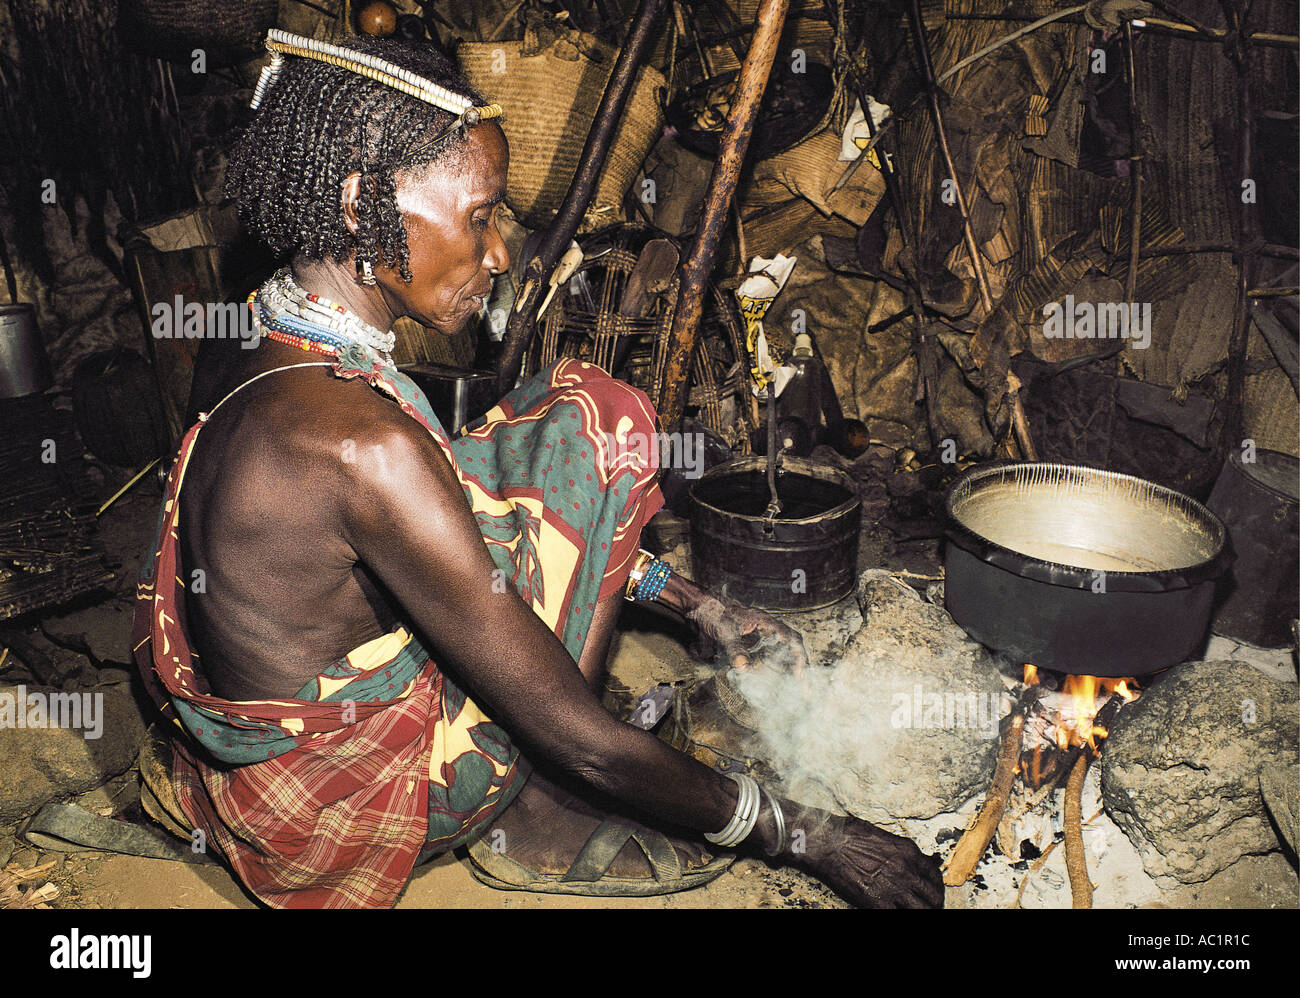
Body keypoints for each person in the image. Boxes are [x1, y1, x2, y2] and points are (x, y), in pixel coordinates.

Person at [132, 31, 943, 909]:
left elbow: (448, 517)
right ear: (364, 202)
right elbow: (586, 739)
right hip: (345, 811)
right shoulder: (363, 448)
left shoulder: (258, 330)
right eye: (480, 217)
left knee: (564, 411)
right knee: (610, 424)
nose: (500, 254)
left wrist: (695, 602)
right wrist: (808, 834)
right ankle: (545, 812)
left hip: (264, 763)